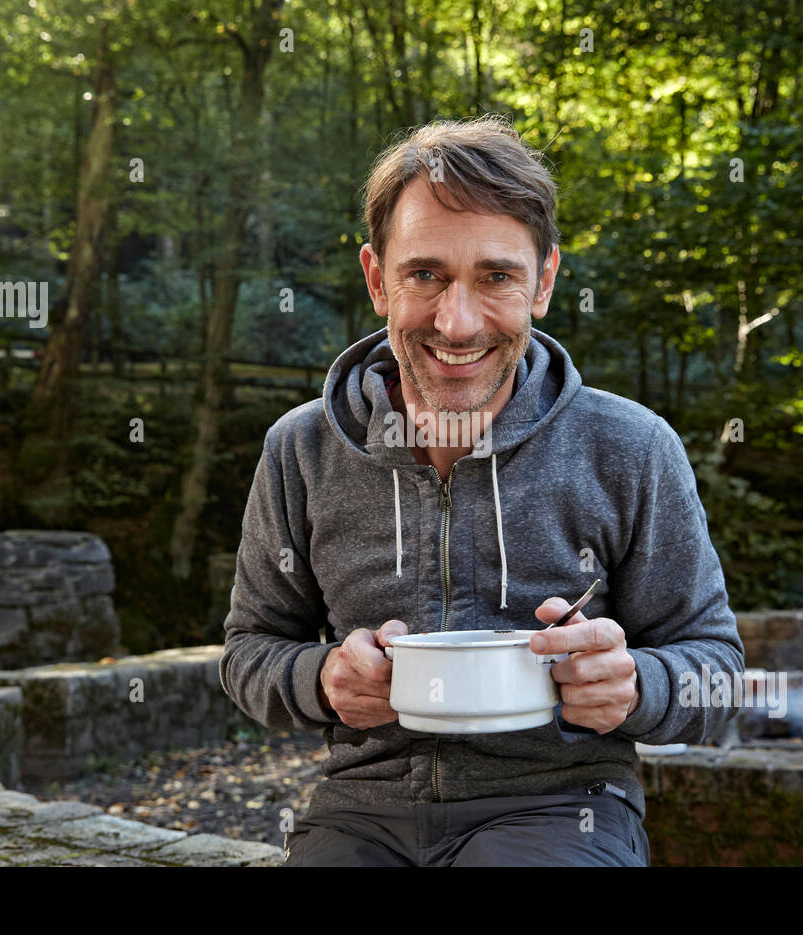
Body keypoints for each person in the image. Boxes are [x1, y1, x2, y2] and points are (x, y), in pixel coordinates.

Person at [220, 114, 744, 866]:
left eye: (495, 276)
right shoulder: (300, 450)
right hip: (361, 811)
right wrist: (320, 677)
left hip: (565, 807)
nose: (456, 322)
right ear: (377, 279)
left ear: (545, 281)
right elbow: (248, 652)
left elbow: (717, 674)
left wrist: (635, 687)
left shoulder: (630, 448)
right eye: (425, 274)